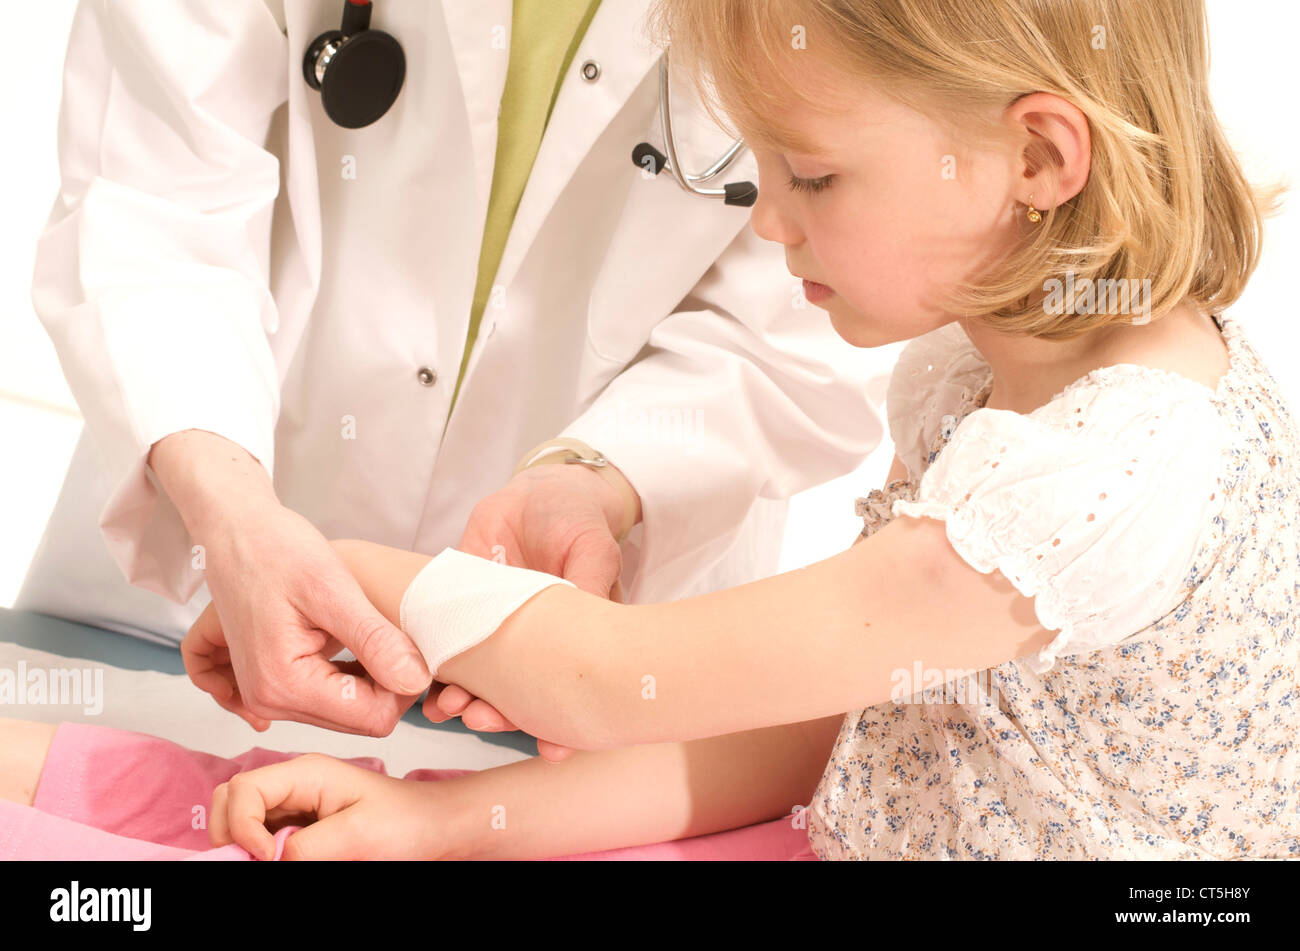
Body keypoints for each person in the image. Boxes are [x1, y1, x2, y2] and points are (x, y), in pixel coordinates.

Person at [3, 0, 1292, 861]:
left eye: (810, 177)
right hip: (789, 798)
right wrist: (435, 825)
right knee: (248, 819)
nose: (767, 220)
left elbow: (614, 680)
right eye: (763, 171)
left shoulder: (1102, 470)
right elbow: (841, 722)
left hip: (690, 744)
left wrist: (338, 573)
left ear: (1037, 158)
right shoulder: (981, 372)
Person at [16, 0, 880, 742]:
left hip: (580, 672)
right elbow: (151, 202)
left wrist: (593, 481)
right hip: (186, 606)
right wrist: (232, 516)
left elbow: (794, 327)